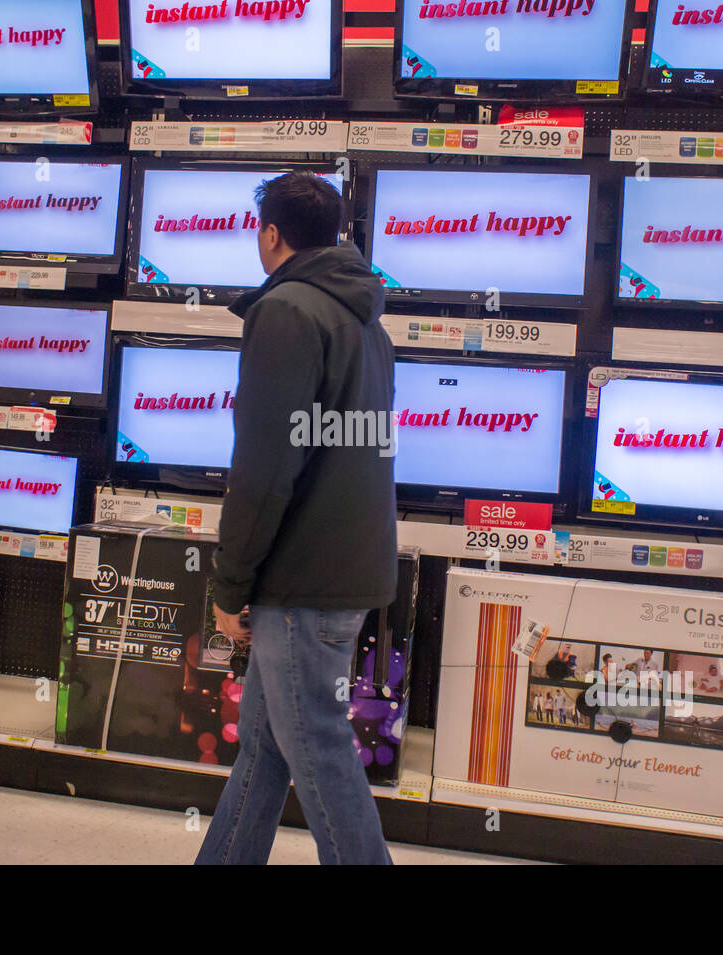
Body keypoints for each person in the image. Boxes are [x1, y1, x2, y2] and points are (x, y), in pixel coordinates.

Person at [195, 172, 397, 866]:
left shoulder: (286, 313)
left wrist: (229, 586)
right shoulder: (366, 320)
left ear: (271, 234)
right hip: (345, 569)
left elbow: (264, 469)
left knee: (317, 752)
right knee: (264, 748)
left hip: (301, 582)